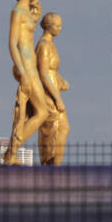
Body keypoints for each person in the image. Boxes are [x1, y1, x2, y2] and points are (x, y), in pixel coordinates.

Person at [3, 0, 51, 165]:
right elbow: (13, 43)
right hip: (26, 67)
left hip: (30, 67)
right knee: (42, 111)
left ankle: (12, 152)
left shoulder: (25, 13)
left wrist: (36, 16)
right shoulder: (17, 12)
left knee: (33, 112)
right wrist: (23, 72)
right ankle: (11, 152)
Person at [36, 13, 70, 166]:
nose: (60, 29)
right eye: (57, 25)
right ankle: (49, 162)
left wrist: (61, 81)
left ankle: (56, 163)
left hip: (54, 86)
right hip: (47, 92)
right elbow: (43, 73)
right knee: (52, 126)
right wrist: (57, 98)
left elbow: (51, 71)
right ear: (49, 27)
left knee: (62, 127)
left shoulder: (51, 45)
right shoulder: (43, 45)